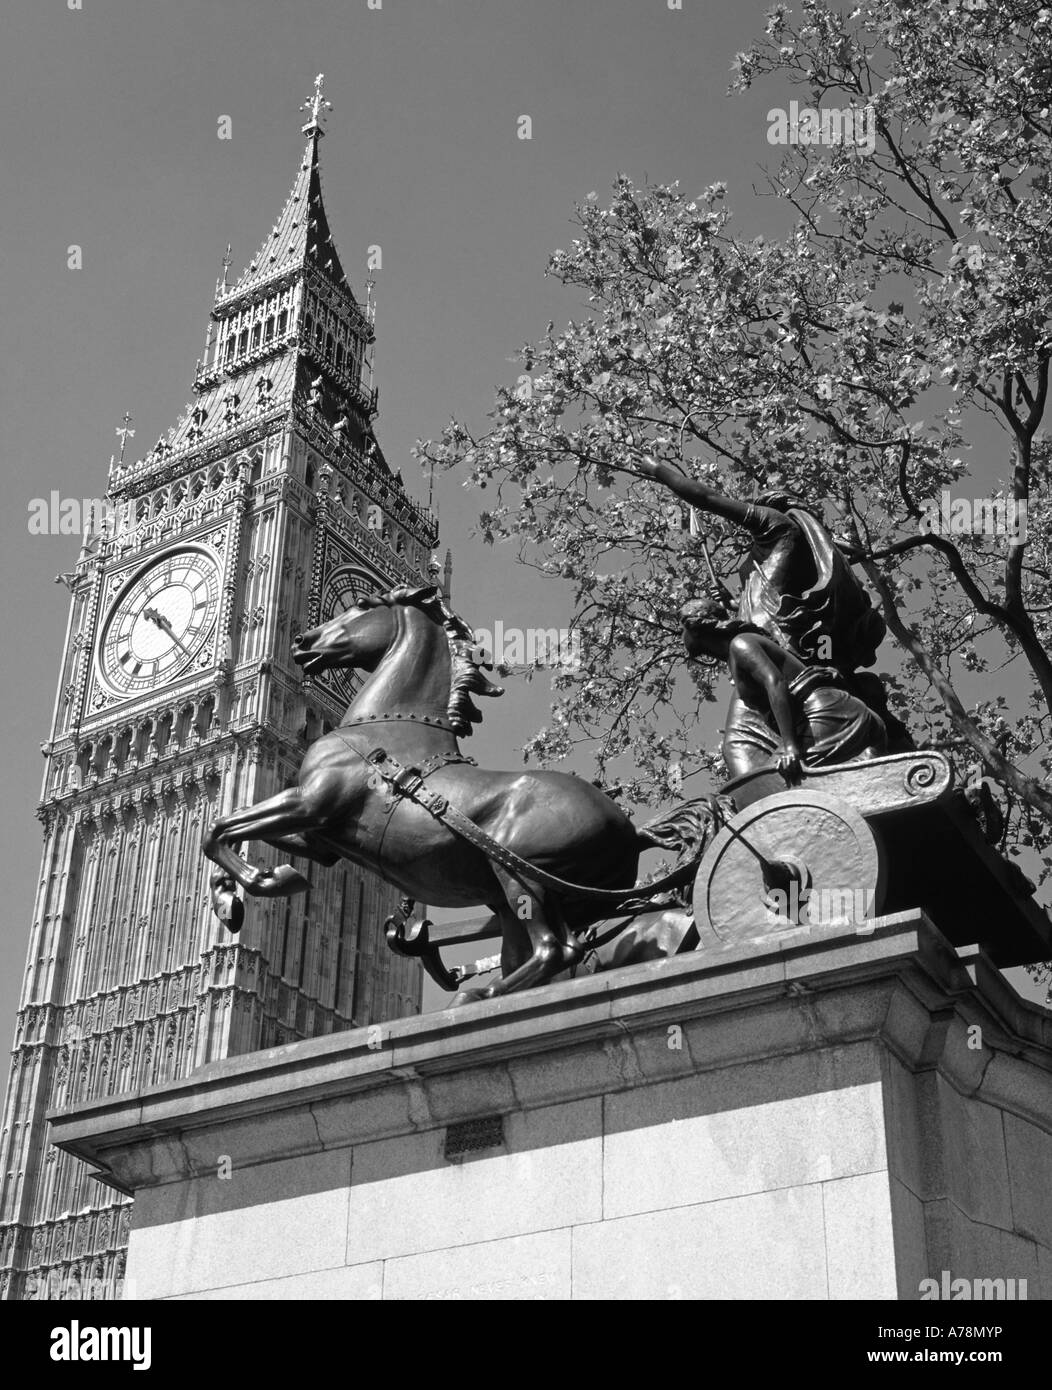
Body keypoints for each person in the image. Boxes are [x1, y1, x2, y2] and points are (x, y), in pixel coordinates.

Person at [680, 598, 888, 781]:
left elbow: (776, 683)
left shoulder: (741, 644)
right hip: (820, 718)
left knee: (763, 786)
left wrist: (790, 747)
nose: (681, 637)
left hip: (828, 716)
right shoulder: (736, 653)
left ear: (694, 627)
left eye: (682, 628)